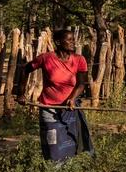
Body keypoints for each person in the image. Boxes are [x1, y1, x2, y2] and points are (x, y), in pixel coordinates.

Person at [13, 29, 92, 162]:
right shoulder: (46, 58)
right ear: (58, 42)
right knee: (53, 144)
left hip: (69, 109)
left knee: (70, 143)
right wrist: (21, 93)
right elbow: (25, 69)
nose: (73, 42)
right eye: (69, 40)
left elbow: (81, 84)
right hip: (48, 107)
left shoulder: (79, 60)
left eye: (73, 39)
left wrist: (72, 99)